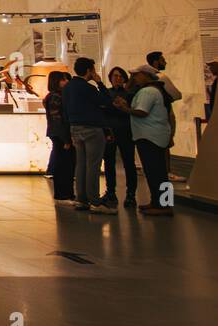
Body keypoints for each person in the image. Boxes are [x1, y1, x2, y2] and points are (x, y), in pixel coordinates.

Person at [120, 66, 174, 216]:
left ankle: (164, 205)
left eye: (137, 75)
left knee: (156, 172)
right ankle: (160, 202)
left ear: (146, 75)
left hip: (150, 136)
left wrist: (125, 109)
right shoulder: (154, 90)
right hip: (154, 135)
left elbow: (142, 112)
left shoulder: (148, 92)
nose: (134, 78)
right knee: (158, 171)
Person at [63, 57, 113, 212]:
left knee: (81, 164)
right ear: (88, 71)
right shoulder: (88, 88)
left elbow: (64, 110)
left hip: (75, 128)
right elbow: (106, 101)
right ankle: (94, 201)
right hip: (92, 129)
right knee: (93, 165)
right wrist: (99, 83)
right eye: (93, 69)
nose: (95, 72)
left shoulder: (68, 87)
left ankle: (81, 199)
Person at [102, 66, 138, 208]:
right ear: (110, 78)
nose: (117, 78)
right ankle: (111, 192)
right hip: (110, 132)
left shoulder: (129, 93)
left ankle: (131, 195)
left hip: (126, 131)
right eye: (114, 76)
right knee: (109, 163)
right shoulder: (107, 93)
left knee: (129, 163)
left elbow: (131, 111)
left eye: (120, 76)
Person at [45, 71, 75, 203]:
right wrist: (66, 138)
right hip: (60, 134)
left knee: (64, 163)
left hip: (59, 133)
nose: (66, 82)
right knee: (63, 164)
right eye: (63, 80)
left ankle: (66, 192)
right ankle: (63, 193)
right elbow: (57, 119)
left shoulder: (55, 96)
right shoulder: (55, 97)